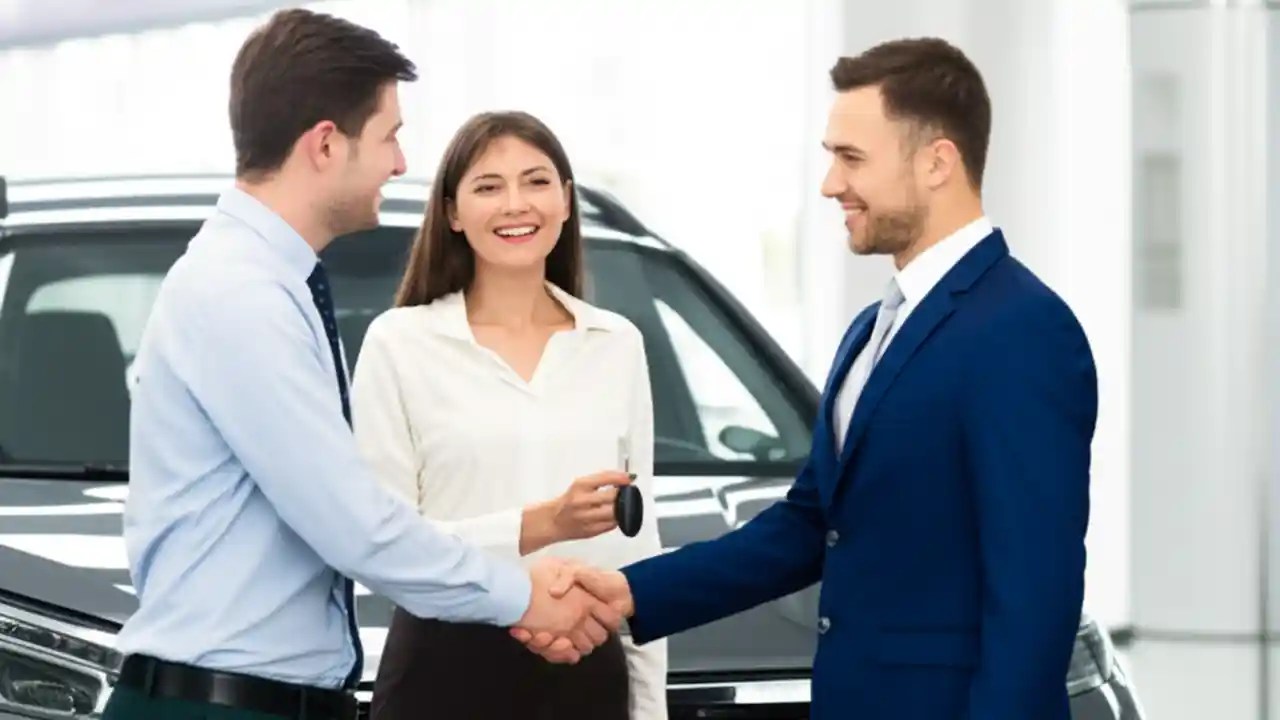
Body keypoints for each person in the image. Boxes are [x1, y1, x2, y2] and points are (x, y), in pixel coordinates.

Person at [517, 37, 1098, 720]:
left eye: (852, 158)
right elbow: (808, 527)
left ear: (937, 162)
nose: (830, 184)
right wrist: (631, 592)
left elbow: (1035, 591)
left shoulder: (1023, 331)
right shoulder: (872, 330)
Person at [105, 10, 617, 720]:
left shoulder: (267, 282)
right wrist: (525, 596)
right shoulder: (240, 294)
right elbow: (357, 526)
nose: (400, 164)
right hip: (221, 707)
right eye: (389, 136)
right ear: (325, 145)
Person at [351, 110, 668, 720]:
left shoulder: (616, 343)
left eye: (536, 181)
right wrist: (540, 523)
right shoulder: (400, 343)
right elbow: (383, 545)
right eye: (488, 186)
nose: (516, 204)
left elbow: (639, 546)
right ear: (452, 212)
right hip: (443, 670)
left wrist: (649, 709)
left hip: (587, 671)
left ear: (566, 200)